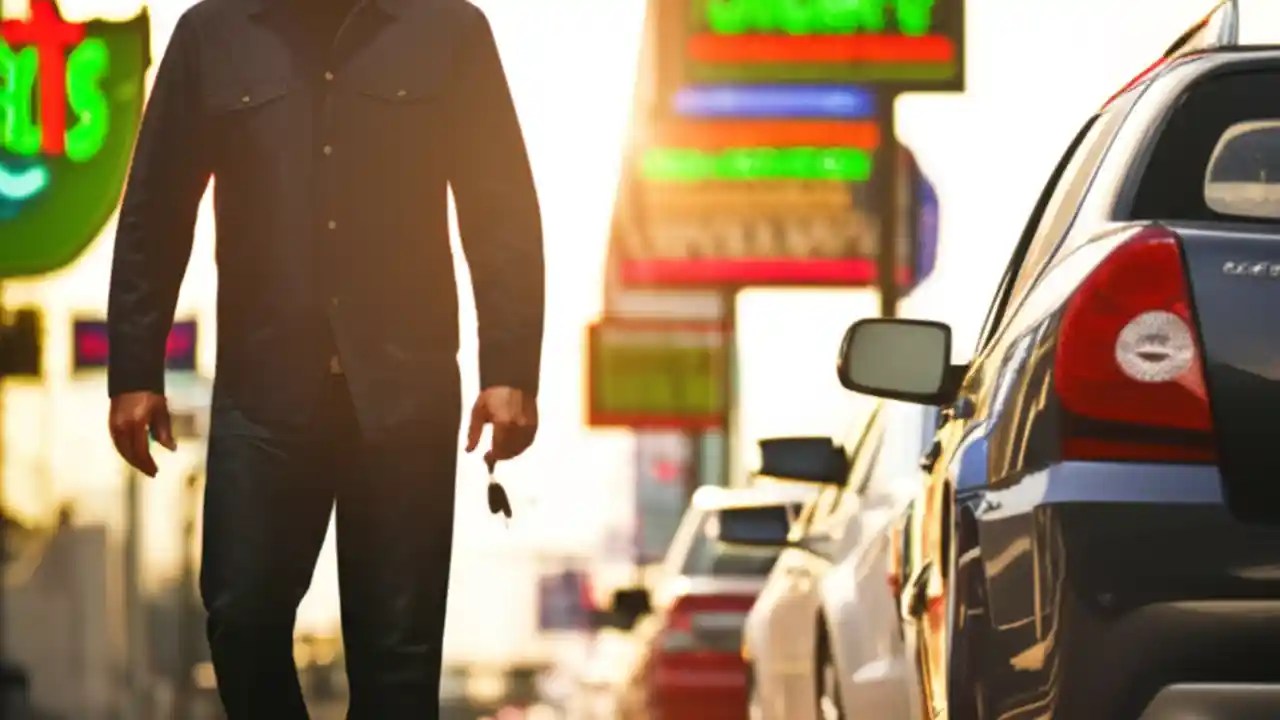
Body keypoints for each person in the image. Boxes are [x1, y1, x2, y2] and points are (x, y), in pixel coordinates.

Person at [105, 0, 544, 716]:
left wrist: (510, 368)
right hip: (263, 392)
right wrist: (134, 368)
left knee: (396, 660)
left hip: (406, 391)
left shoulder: (449, 31)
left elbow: (500, 206)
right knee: (240, 618)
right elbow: (156, 206)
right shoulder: (212, 35)